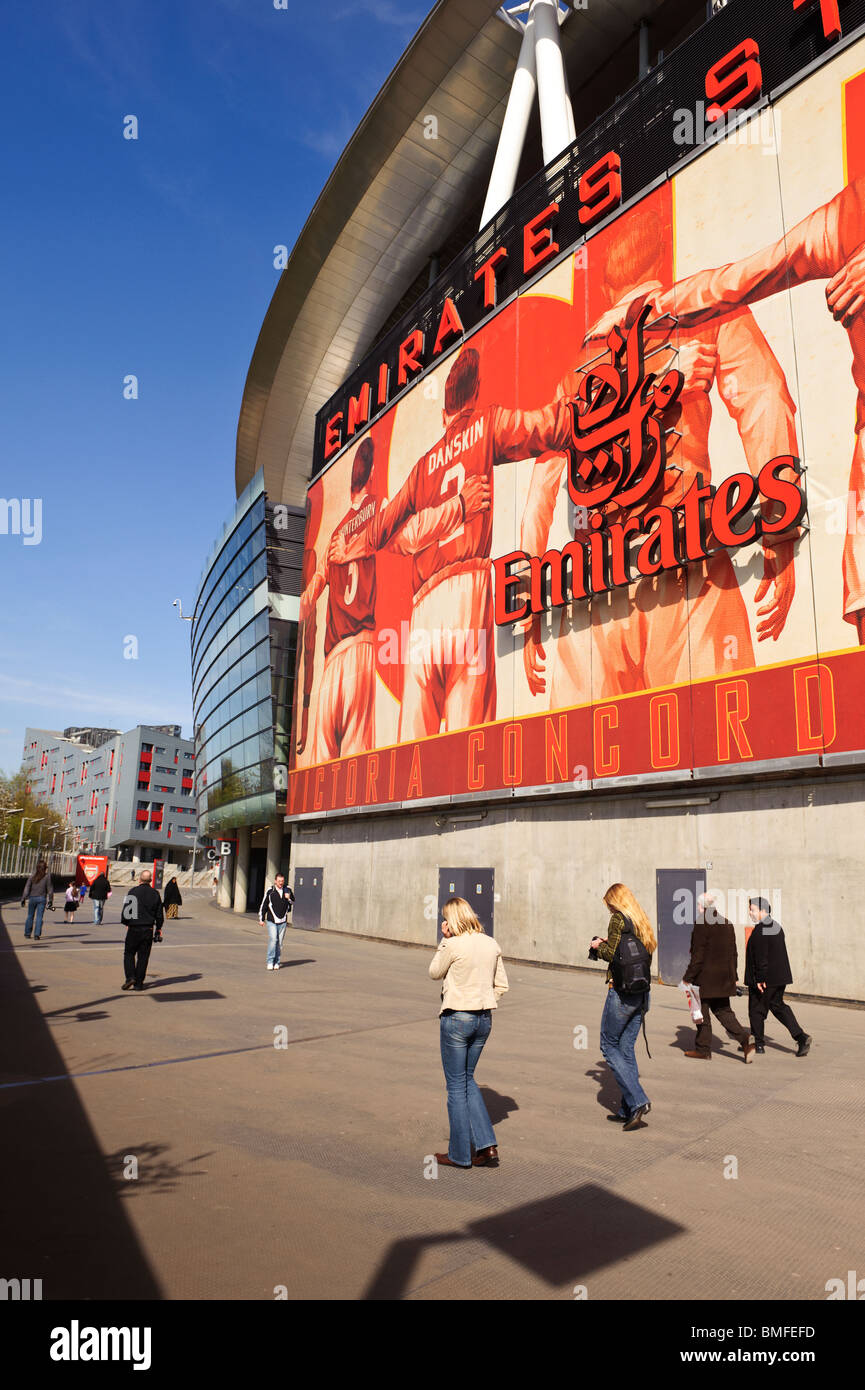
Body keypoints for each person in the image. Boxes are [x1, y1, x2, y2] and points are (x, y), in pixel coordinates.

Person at [520, 205, 799, 708]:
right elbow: (765, 398)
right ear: (665, 262)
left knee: (588, 774)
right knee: (715, 751)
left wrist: (530, 605)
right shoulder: (704, 313)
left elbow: (540, 493)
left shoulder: (576, 370)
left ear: (605, 288)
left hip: (590, 583)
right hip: (685, 554)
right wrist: (779, 526)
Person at [330, 346, 575, 739]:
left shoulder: (422, 466)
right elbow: (545, 428)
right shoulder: (489, 421)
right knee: (470, 747)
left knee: (414, 747)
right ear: (475, 392)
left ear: (443, 411)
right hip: (468, 589)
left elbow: (380, 531)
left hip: (424, 608)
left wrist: (349, 548)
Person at [428, 896, 509, 1169]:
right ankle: (487, 1147)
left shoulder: (453, 943)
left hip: (457, 1018)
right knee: (467, 1079)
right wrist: (484, 999)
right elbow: (502, 985)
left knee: (455, 1085)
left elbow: (434, 972)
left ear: (451, 919)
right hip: (483, 1019)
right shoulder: (490, 942)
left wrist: (444, 941)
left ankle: (460, 1154)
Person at [590, 883, 655, 1131]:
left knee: (608, 1045)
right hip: (642, 993)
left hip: (622, 992)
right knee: (626, 1049)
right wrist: (611, 943)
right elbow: (638, 950)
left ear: (615, 902)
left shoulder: (618, 919)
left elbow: (610, 955)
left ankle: (638, 1101)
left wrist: (598, 946)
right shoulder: (639, 919)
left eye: (608, 903)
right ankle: (627, 1109)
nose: (608, 908)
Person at [682, 891, 754, 1062]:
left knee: (702, 1013)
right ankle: (744, 1039)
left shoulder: (702, 923)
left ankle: (703, 1049)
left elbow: (697, 956)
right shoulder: (727, 923)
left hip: (705, 979)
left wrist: (688, 977)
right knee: (723, 1011)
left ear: (701, 906)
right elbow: (734, 954)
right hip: (723, 979)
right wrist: (733, 976)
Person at [745, 898, 812, 1057]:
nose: (750, 912)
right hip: (779, 978)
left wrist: (760, 979)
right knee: (778, 1007)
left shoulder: (762, 929)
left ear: (763, 911)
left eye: (752, 910)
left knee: (756, 1011)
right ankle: (801, 1037)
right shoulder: (776, 926)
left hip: (765, 979)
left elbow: (761, 957)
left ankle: (758, 1045)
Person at [120, 870, 164, 991]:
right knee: (143, 957)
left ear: (139, 879)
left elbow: (126, 911)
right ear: (150, 880)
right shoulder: (155, 894)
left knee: (129, 953)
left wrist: (127, 923)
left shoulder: (133, 891)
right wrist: (158, 928)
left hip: (134, 927)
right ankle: (139, 984)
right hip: (148, 928)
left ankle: (130, 977)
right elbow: (159, 914)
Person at [259, 874, 294, 971]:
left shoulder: (288, 889)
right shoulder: (270, 891)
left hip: (283, 921)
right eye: (279, 881)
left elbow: (293, 901)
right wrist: (261, 918)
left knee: (279, 943)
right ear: (275, 881)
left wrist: (288, 898)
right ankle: (270, 961)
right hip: (272, 921)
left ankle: (277, 962)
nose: (280, 883)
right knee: (273, 940)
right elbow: (264, 904)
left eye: (282, 881)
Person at [22, 860, 54, 941]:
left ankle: (27, 934)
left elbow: (27, 887)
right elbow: (50, 889)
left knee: (30, 916)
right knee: (39, 917)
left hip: (32, 898)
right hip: (42, 899)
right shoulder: (47, 876)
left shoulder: (32, 875)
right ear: (45, 868)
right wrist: (50, 900)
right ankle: (37, 935)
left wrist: (23, 898)